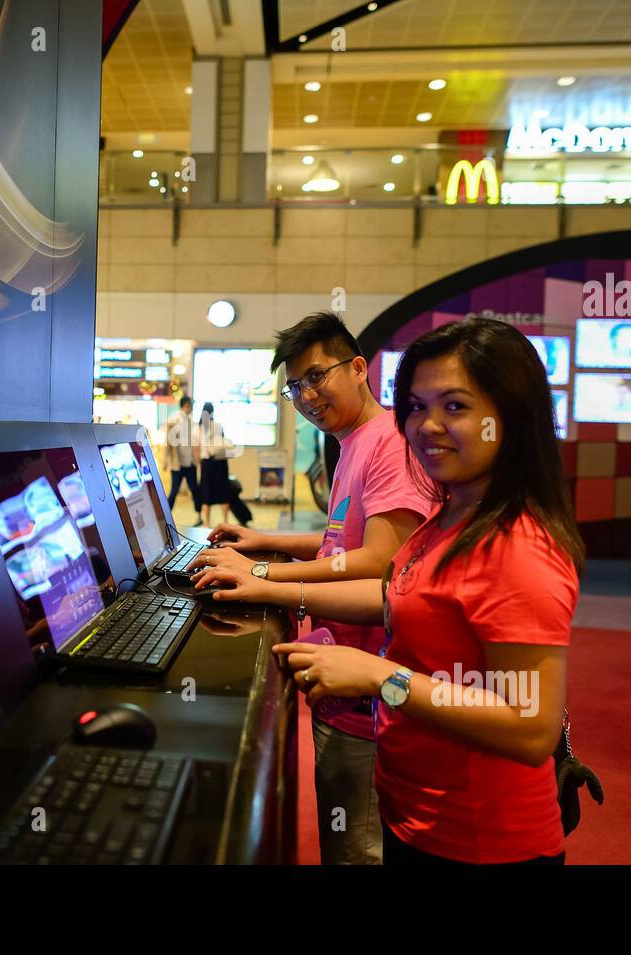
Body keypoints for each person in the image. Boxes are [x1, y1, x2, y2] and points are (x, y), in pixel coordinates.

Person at [195, 317, 583, 865]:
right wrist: (266, 584)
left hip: (477, 841)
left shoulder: (517, 546)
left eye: (455, 406)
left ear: (510, 415)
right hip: (416, 815)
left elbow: (530, 726)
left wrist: (381, 676)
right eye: (418, 406)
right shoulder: (451, 516)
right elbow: (388, 594)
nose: (425, 426)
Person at [191, 311, 430, 864]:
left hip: (370, 700)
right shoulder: (356, 441)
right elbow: (341, 542)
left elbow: (377, 564)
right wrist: (263, 540)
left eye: (317, 376)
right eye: (294, 386)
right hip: (342, 685)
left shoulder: (388, 444)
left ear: (359, 369)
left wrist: (264, 576)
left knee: (357, 850)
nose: (305, 394)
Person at [164, 395, 202, 526]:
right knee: (174, 490)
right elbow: (168, 441)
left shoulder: (192, 420)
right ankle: (166, 517)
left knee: (195, 490)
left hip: (190, 462)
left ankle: (199, 515)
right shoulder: (174, 419)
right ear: (185, 405)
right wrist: (166, 460)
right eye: (190, 404)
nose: (191, 407)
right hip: (178, 463)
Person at [196, 402, 233, 527]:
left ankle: (206, 523)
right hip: (220, 462)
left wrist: (198, 460)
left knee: (206, 493)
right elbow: (223, 442)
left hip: (207, 464)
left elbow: (196, 446)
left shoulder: (199, 427)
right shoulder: (218, 425)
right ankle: (225, 520)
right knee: (223, 491)